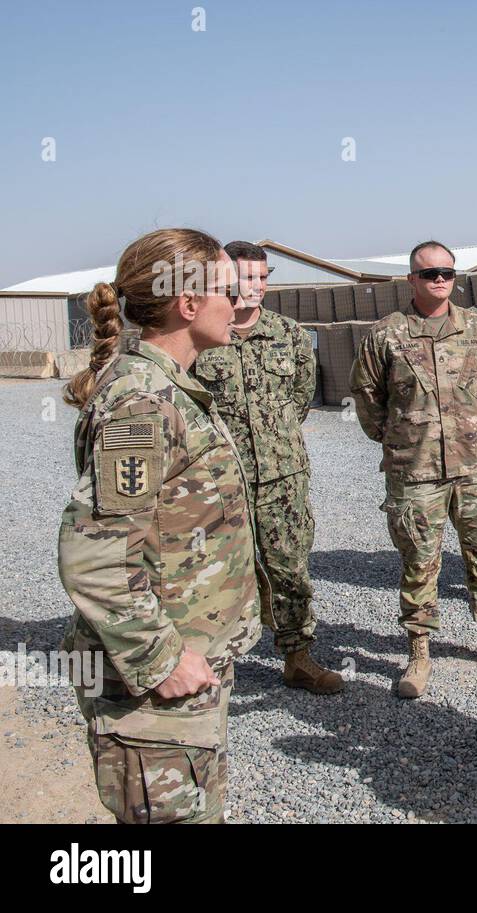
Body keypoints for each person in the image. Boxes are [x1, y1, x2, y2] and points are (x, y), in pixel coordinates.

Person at [59, 229, 260, 823]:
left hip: (185, 673)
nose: (243, 302)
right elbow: (95, 555)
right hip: (148, 691)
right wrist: (161, 658)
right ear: (188, 304)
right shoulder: (143, 402)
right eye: (229, 290)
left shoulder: (167, 386)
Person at [350, 241, 477, 699]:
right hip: (416, 472)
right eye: (429, 273)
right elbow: (367, 396)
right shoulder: (386, 334)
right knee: (419, 562)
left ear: (455, 278)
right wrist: (404, 437)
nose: (438, 280)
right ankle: (419, 651)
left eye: (447, 273)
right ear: (411, 279)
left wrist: (466, 428)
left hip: (474, 466)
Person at [193, 241, 343, 694]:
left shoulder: (290, 335)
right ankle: (213, 664)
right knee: (218, 571)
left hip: (283, 476)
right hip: (222, 479)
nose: (257, 287)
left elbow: (300, 399)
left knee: (289, 568)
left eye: (263, 277)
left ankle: (297, 657)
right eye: (247, 278)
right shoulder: (204, 338)